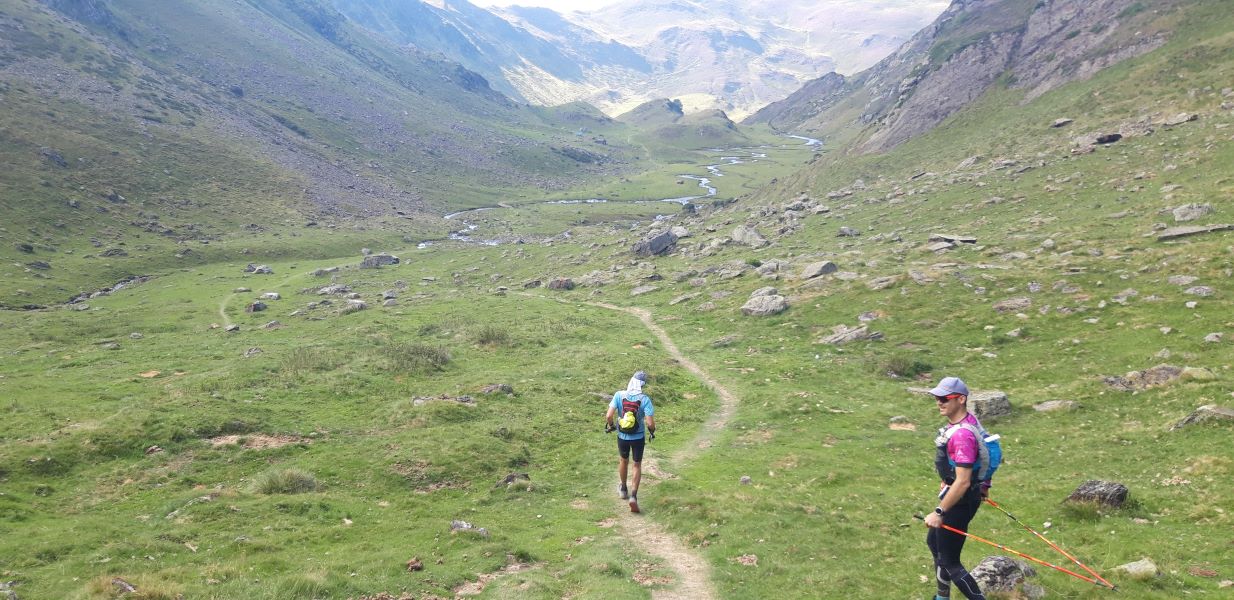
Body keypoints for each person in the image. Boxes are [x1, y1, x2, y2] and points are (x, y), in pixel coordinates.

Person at [924, 376, 987, 600]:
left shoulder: (962, 435)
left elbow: (962, 481)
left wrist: (939, 511)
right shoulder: (969, 423)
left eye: (944, 398)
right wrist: (983, 485)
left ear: (961, 399)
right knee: (934, 542)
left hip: (960, 499)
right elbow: (985, 455)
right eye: (937, 398)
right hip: (961, 495)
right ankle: (942, 597)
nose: (939, 402)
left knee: (950, 560)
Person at [605, 370, 655, 513]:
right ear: (642, 385)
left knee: (623, 461)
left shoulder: (619, 395)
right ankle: (633, 496)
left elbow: (609, 415)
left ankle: (623, 489)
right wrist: (652, 432)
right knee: (637, 465)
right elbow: (650, 423)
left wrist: (612, 426)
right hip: (638, 437)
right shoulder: (645, 399)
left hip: (622, 436)